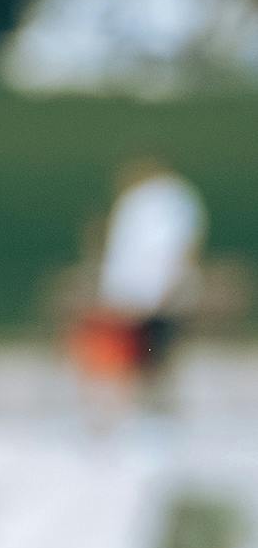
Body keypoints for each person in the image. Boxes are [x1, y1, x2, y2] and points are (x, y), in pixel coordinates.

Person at [84, 151, 206, 399]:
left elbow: (179, 246)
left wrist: (169, 285)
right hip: (139, 292)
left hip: (154, 292)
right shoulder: (144, 201)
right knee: (138, 351)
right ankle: (145, 397)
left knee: (153, 350)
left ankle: (154, 398)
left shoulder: (168, 201)